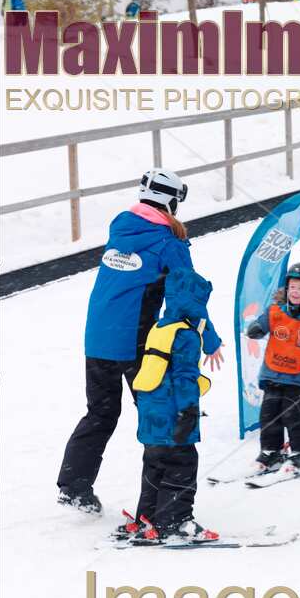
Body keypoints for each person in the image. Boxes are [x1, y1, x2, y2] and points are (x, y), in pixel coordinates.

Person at [56, 168, 224, 514]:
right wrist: (210, 338)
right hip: (136, 343)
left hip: (98, 339)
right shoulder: (168, 244)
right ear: (172, 201)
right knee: (158, 415)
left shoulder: (122, 229)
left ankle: (74, 486)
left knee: (100, 413)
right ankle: (162, 507)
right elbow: (187, 298)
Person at [127, 268, 219, 543]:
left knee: (155, 465)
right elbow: (183, 378)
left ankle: (148, 518)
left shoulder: (160, 327)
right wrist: (188, 411)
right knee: (183, 464)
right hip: (172, 413)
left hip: (151, 412)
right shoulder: (186, 335)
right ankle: (176, 522)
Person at [245, 262, 300, 475]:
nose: (295, 292)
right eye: (292, 287)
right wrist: (256, 329)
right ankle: (271, 451)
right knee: (269, 414)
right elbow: (261, 324)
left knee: (292, 413)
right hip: (272, 373)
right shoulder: (274, 312)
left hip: (297, 379)